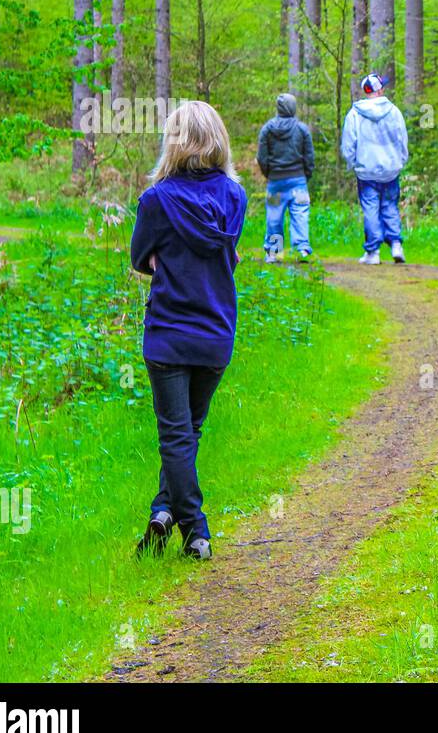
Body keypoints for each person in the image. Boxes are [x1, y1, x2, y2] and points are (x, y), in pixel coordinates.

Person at [129, 101, 248, 561]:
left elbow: (140, 257)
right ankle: (162, 511)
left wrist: (164, 258)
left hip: (169, 334)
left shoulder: (156, 200)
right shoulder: (234, 197)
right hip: (216, 330)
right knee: (188, 431)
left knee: (176, 435)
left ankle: (195, 532)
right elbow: (227, 254)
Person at [341, 72, 409, 265]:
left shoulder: (355, 113)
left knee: (371, 207)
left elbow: (348, 143)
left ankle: (373, 251)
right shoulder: (393, 111)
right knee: (390, 206)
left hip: (366, 170)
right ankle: (396, 244)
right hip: (391, 168)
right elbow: (401, 137)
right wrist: (401, 160)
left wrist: (352, 163)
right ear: (379, 90)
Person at [256, 92, 315, 262]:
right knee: (301, 214)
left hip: (275, 183)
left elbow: (262, 157)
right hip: (299, 181)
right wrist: (306, 175)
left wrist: (269, 174)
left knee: (274, 216)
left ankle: (274, 252)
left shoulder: (267, 129)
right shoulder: (302, 129)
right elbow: (309, 157)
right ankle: (302, 250)